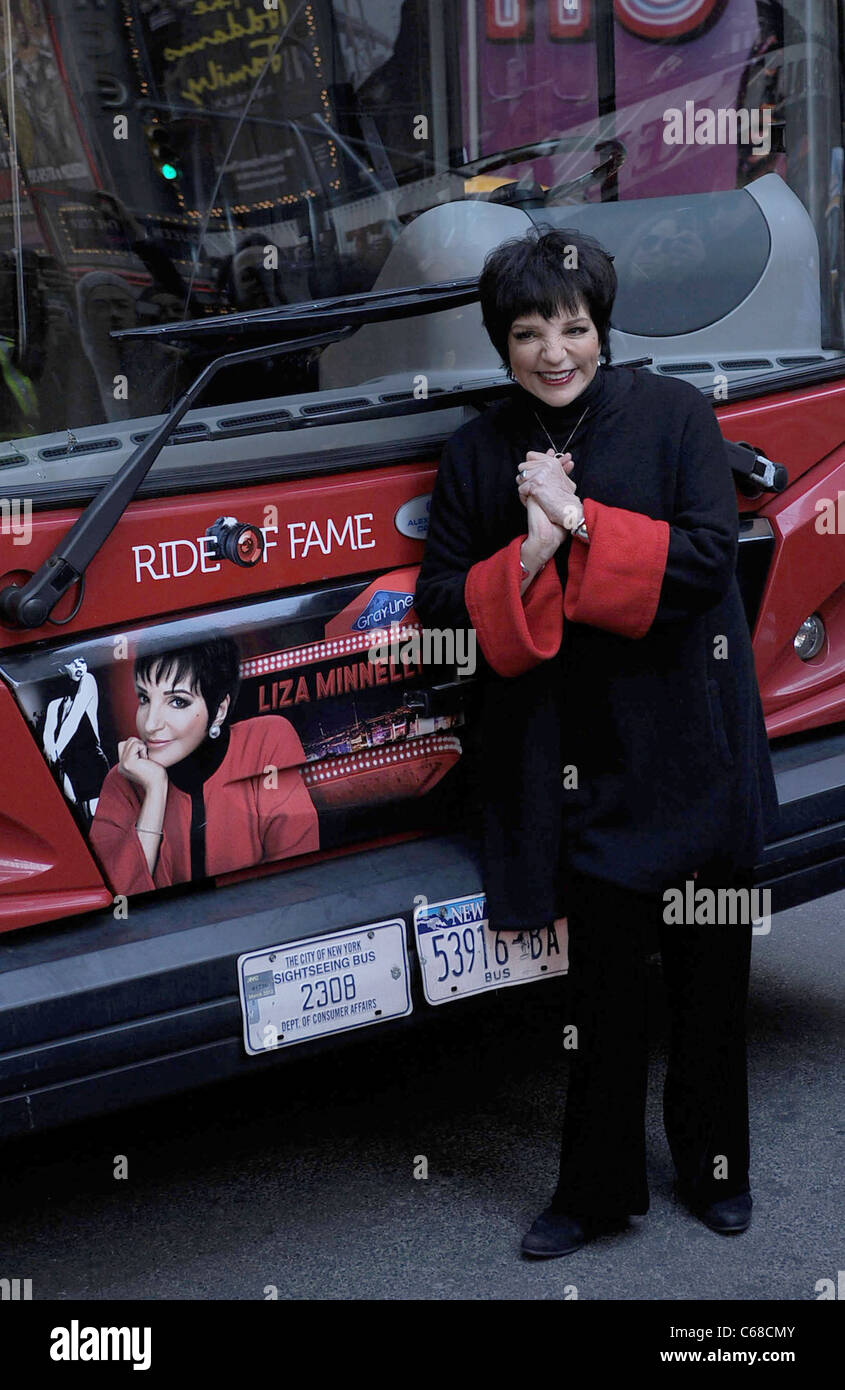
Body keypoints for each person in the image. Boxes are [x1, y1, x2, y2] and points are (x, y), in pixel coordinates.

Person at [413, 226, 780, 1258]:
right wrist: (526, 547)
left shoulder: (673, 415)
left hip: (694, 754)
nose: (552, 350)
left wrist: (581, 525)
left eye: (570, 326)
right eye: (528, 332)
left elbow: (708, 559)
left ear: (600, 328)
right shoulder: (477, 452)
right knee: (599, 1007)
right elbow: (439, 613)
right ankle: (594, 1192)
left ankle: (716, 1173)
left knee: (712, 992)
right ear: (502, 343)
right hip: (576, 772)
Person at [90, 637, 319, 895]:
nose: (150, 723)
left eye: (177, 701)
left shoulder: (266, 742)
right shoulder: (123, 781)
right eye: (144, 698)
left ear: (219, 711)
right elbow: (116, 903)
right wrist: (155, 792)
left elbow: (296, 878)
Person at [43, 657, 109, 822]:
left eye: (81, 661)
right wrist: (56, 766)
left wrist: (56, 756)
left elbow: (73, 721)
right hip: (66, 767)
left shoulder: (88, 681)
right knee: (78, 821)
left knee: (99, 820)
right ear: (61, 668)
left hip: (90, 763)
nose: (79, 666)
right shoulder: (54, 705)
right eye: (72, 662)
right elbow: (48, 741)